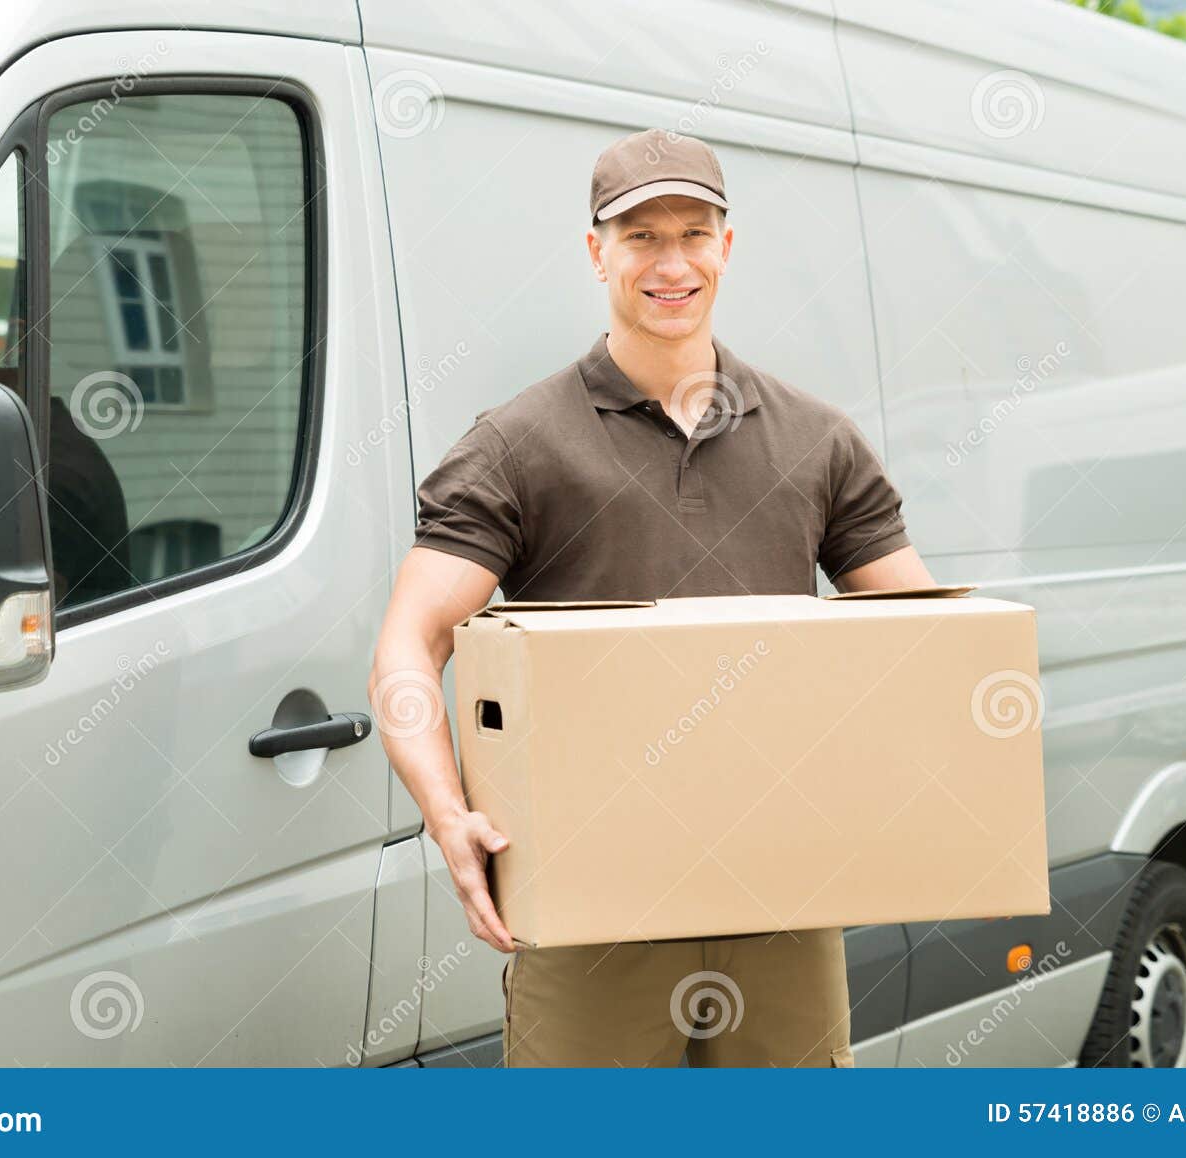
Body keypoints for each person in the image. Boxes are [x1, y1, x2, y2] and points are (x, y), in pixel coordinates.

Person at [369, 127, 936, 1066]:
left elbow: (924, 641)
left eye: (694, 234)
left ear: (727, 246)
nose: (671, 262)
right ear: (597, 253)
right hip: (591, 910)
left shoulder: (817, 441)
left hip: (782, 902)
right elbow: (409, 642)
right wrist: (447, 812)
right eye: (640, 237)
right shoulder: (519, 445)